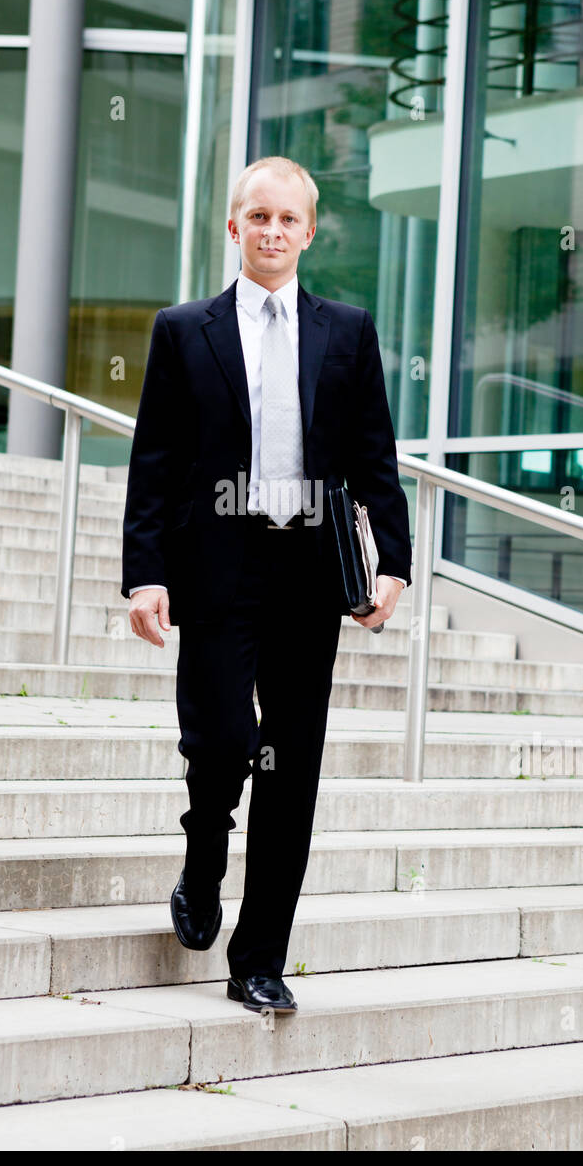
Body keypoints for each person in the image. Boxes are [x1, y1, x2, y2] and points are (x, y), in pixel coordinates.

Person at [121, 156, 412, 1014]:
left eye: (289, 219)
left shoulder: (348, 331)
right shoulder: (184, 329)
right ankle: (203, 854)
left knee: (292, 768)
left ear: (310, 231)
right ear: (234, 228)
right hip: (216, 566)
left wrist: (392, 562)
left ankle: (260, 959)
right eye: (259, 218)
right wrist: (145, 575)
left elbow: (374, 456)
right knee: (218, 742)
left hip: (307, 572)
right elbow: (156, 462)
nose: (274, 231)